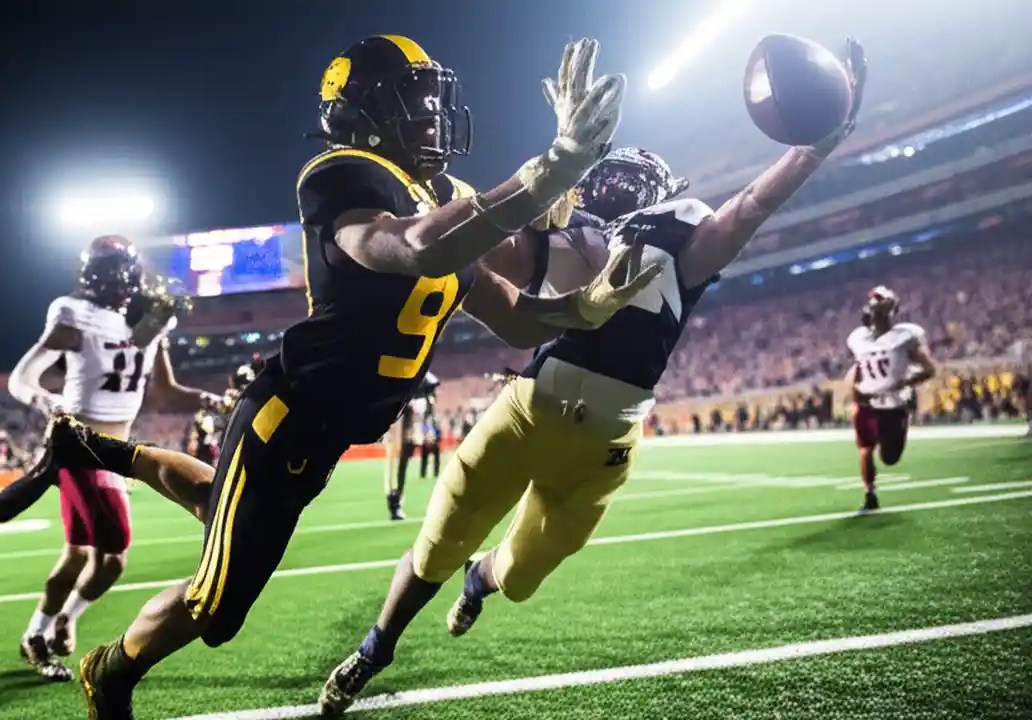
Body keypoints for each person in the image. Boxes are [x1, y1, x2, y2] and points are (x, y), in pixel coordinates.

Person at [63, 35, 654, 719]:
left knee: (221, 504)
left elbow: (514, 316)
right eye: (415, 102)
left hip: (330, 429)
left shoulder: (447, 195)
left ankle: (120, 455)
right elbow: (409, 246)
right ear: (362, 111)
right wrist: (549, 169)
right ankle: (111, 669)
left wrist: (583, 308)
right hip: (286, 418)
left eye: (436, 102)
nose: (433, 117)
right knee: (215, 607)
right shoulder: (341, 173)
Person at [317, 38, 870, 716]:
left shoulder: (685, 238)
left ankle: (480, 580)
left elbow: (751, 205)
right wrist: (524, 180)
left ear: (664, 193)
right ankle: (375, 649)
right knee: (434, 543)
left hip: (610, 443)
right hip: (529, 412)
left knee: (518, 578)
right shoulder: (570, 238)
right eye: (613, 175)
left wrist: (812, 147)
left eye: (637, 178)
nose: (623, 184)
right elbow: (488, 247)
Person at [0, 235, 221, 683]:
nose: (117, 278)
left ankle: (38, 632)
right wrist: (49, 403)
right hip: (81, 446)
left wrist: (215, 401)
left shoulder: (147, 322)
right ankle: (65, 616)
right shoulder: (73, 313)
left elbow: (164, 393)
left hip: (116, 452)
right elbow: (23, 375)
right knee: (114, 558)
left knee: (79, 555)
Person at [844, 285, 937, 513]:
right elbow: (856, 369)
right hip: (867, 403)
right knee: (865, 448)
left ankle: (905, 423)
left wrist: (903, 383)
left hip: (894, 404)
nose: (876, 311)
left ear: (891, 310)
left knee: (890, 458)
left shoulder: (904, 336)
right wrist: (855, 391)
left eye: (881, 305)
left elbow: (929, 369)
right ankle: (870, 494)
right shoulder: (858, 338)